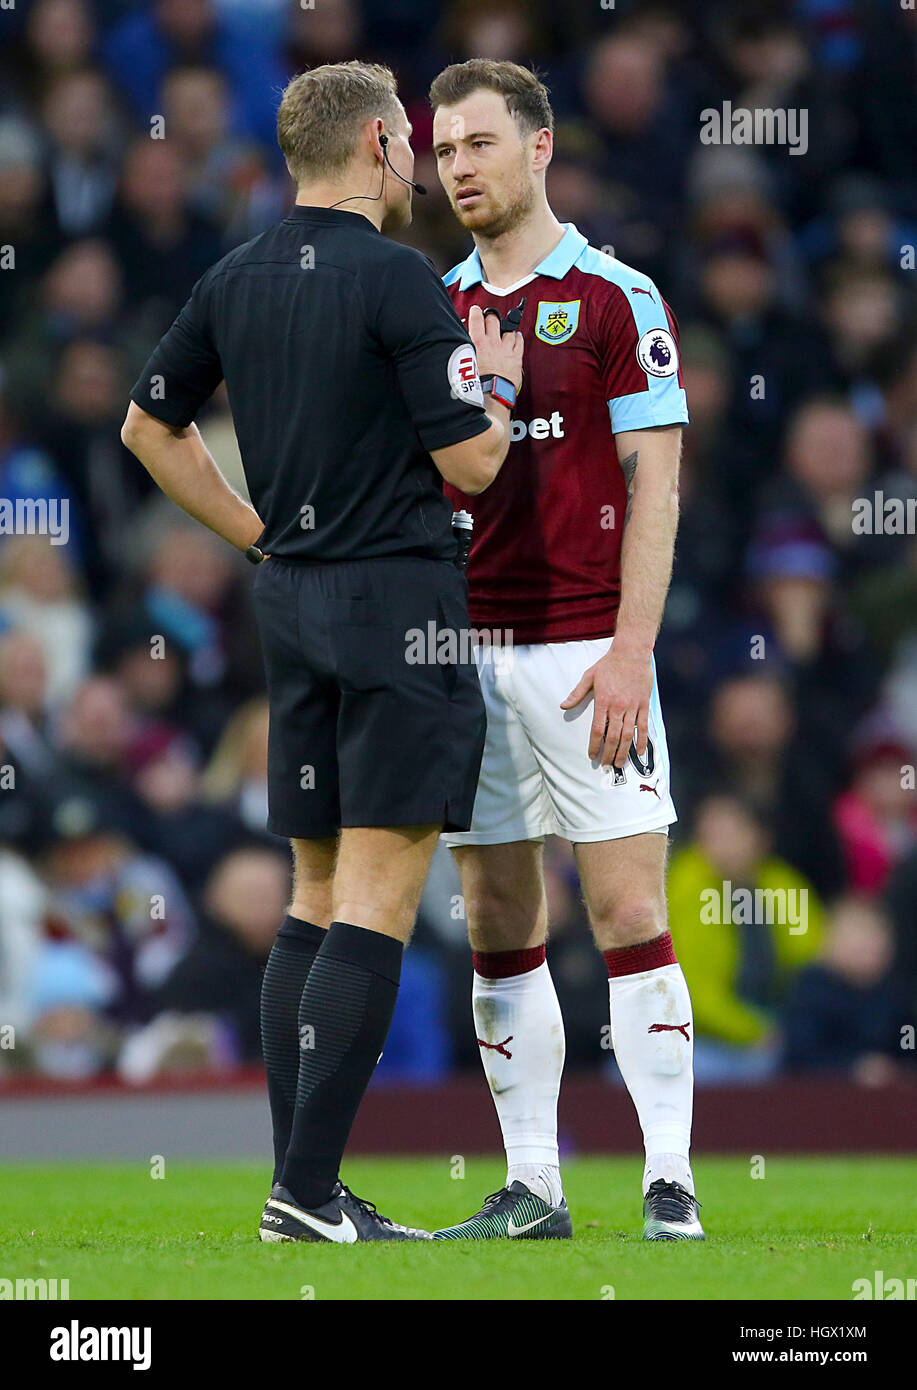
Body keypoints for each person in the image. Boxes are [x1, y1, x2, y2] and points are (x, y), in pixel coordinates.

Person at [121, 60, 523, 1244]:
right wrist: (493, 388)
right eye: (409, 144)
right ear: (378, 148)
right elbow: (471, 465)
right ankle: (303, 1193)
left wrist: (256, 535)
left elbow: (149, 423)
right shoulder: (401, 281)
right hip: (401, 600)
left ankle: (307, 1184)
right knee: (378, 900)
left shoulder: (236, 275)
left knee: (309, 893)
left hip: (288, 606)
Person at [428, 60, 700, 1242]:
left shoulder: (613, 296)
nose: (458, 169)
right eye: (441, 152)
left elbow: (657, 484)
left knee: (628, 904)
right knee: (494, 914)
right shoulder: (429, 304)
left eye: (479, 144)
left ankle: (668, 1179)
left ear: (538, 148)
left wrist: (634, 646)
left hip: (588, 644)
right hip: (467, 647)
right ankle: (533, 1184)